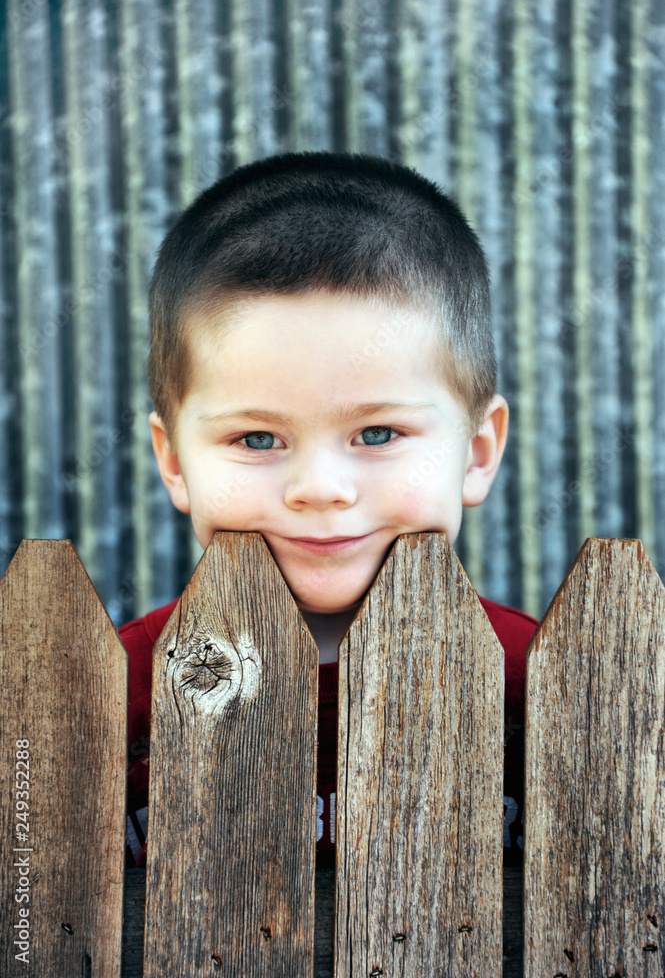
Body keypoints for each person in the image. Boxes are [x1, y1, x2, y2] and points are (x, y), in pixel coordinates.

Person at [119, 150, 539, 870]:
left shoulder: (541, 687)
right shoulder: (108, 695)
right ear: (175, 461)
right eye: (257, 438)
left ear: (476, 451)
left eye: (377, 434)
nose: (319, 488)